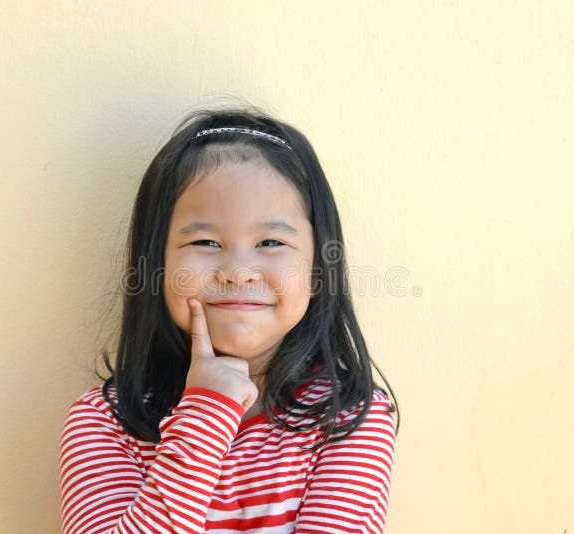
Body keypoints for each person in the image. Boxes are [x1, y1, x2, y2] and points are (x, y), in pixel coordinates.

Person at [59, 104, 400, 534]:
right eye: (205, 241)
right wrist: (205, 415)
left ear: (317, 273)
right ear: (157, 266)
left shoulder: (348, 419)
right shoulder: (103, 425)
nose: (238, 271)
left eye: (271, 242)